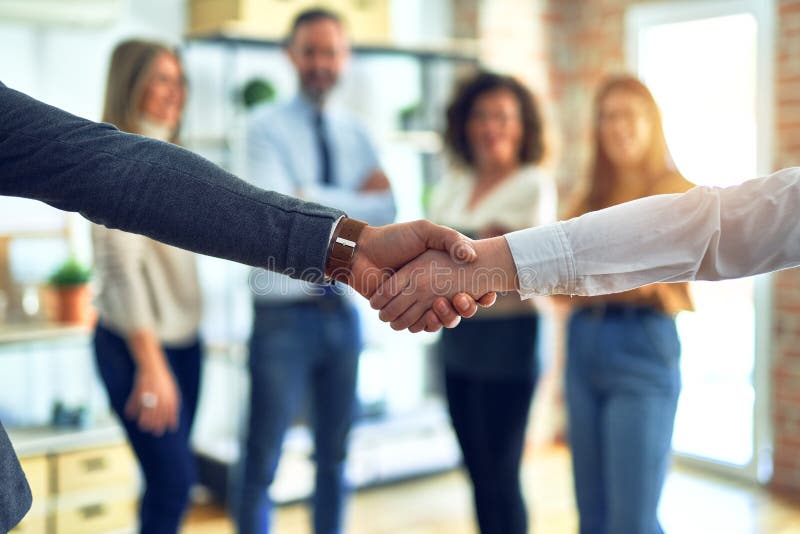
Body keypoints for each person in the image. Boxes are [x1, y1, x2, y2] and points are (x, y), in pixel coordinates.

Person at [0, 79, 483, 532]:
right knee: (242, 463)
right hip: (265, 322)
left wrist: (344, 244)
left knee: (321, 458)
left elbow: (117, 171)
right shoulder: (264, 128)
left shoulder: (352, 130)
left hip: (312, 314)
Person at [235, 8, 396, 534]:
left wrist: (310, 197)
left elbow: (390, 208)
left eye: (331, 52)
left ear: (343, 58)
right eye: (311, 51)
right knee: (262, 457)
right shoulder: (260, 128)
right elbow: (276, 211)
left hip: (341, 311)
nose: (321, 63)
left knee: (336, 458)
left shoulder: (357, 132)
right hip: (281, 315)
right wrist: (351, 205)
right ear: (291, 55)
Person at [427, 71, 555, 534]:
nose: (491, 127)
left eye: (503, 117)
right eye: (481, 116)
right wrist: (482, 246)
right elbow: (477, 256)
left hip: (510, 339)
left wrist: (453, 254)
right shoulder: (453, 185)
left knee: (501, 472)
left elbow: (520, 269)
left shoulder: (532, 184)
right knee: (477, 472)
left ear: (523, 127)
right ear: (465, 124)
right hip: (458, 338)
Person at [90, 40, 203, 534]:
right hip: (139, 348)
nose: (174, 92)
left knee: (164, 486)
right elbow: (120, 267)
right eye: (161, 79)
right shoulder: (114, 160)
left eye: (179, 80)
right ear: (130, 84)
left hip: (184, 344)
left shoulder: (175, 157)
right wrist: (151, 364)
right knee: (175, 483)